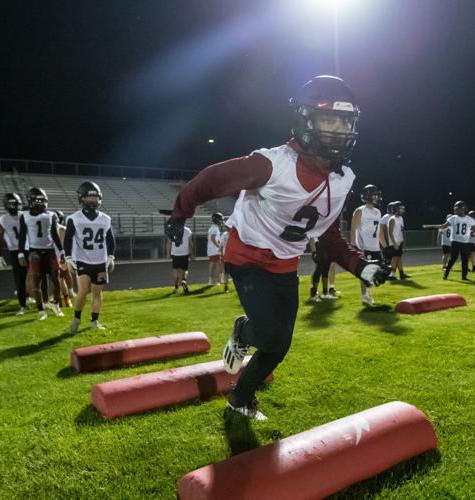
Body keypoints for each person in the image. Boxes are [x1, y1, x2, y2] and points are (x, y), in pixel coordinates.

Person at [163, 75, 388, 420]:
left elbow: (328, 234)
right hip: (246, 255)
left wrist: (360, 266)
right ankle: (242, 330)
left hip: (285, 263)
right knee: (269, 335)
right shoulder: (270, 163)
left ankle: (239, 400)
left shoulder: (344, 178)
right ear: (306, 119)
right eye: (330, 119)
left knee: (280, 344)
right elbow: (211, 179)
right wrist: (180, 214)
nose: (339, 129)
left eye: (345, 121)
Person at [65, 181, 115, 334]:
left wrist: (111, 256)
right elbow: (67, 239)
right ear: (82, 198)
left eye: (95, 197)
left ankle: (94, 320)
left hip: (100, 261)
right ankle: (76, 318)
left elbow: (110, 239)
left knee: (97, 293)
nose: (92, 200)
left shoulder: (105, 219)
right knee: (83, 291)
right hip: (83, 259)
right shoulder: (74, 218)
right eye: (89, 197)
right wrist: (68, 258)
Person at [17, 187, 64, 321]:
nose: (38, 203)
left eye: (40, 200)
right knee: (36, 283)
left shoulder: (51, 215)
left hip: (49, 252)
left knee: (57, 281)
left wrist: (61, 252)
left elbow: (55, 235)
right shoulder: (24, 216)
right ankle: (41, 310)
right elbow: (21, 236)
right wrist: (21, 254)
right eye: (36, 200)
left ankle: (56, 305)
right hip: (34, 252)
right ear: (30, 201)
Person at [423, 201, 475, 280]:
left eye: (457, 208)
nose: (455, 210)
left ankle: (464, 276)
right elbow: (443, 226)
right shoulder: (456, 218)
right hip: (456, 242)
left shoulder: (465, 219)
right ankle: (446, 274)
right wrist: (430, 226)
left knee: (464, 260)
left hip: (464, 242)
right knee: (453, 259)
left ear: (462, 209)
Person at [351, 184, 385, 306]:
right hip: (364, 247)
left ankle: (367, 294)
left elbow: (380, 231)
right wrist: (354, 246)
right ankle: (365, 296)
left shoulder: (378, 212)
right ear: (368, 196)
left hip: (375, 247)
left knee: (379, 274)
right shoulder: (360, 211)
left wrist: (386, 246)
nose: (377, 197)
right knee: (366, 273)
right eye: (375, 195)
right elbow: (353, 229)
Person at [0, 193, 27, 314]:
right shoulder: (3, 219)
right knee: (19, 279)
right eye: (12, 203)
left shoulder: (25, 215)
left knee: (34, 276)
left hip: (28, 249)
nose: (14, 206)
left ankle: (39, 300)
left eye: (16, 203)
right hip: (15, 251)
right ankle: (22, 305)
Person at [54, 209, 75, 308]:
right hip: (61, 255)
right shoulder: (62, 228)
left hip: (52, 256)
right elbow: (66, 243)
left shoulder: (52, 228)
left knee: (58, 279)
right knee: (62, 278)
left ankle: (60, 300)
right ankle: (66, 299)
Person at [166, 224, 194, 293]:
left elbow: (168, 243)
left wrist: (167, 253)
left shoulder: (171, 230)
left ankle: (176, 286)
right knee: (185, 270)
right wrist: (191, 253)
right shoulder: (187, 230)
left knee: (175, 269)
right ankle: (184, 280)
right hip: (184, 253)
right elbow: (190, 243)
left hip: (175, 253)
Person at [387, 201, 410, 279]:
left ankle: (401, 273)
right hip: (395, 242)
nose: (402, 210)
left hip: (399, 241)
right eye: (400, 208)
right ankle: (391, 274)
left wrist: (402, 240)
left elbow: (401, 230)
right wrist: (394, 243)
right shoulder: (392, 219)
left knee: (399, 257)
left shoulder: (400, 218)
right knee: (395, 258)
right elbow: (390, 232)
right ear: (396, 209)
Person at [207, 213, 225, 286]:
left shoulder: (213, 228)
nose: (221, 221)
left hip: (212, 249)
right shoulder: (214, 228)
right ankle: (221, 279)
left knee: (216, 264)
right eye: (220, 219)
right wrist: (219, 246)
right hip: (214, 249)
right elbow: (212, 238)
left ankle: (212, 280)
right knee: (218, 264)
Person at [379, 203, 394, 279]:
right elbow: (380, 231)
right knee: (387, 258)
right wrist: (384, 245)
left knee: (392, 258)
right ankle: (386, 274)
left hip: (391, 242)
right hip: (386, 242)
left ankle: (391, 273)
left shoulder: (395, 217)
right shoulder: (385, 217)